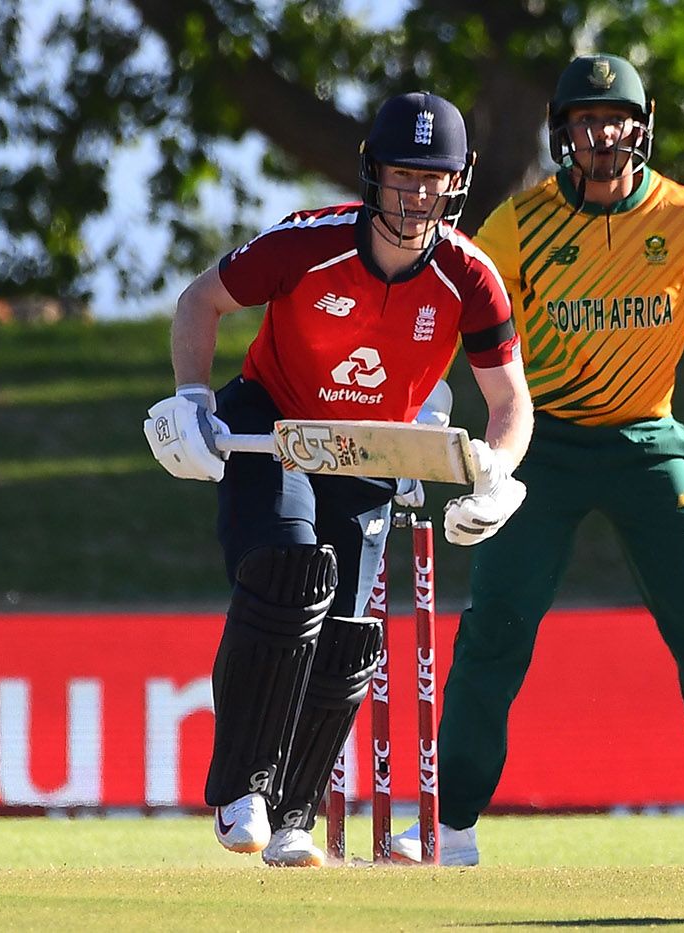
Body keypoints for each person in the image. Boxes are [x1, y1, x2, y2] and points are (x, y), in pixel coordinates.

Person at [391, 53, 684, 867]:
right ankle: (450, 825)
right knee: (497, 628)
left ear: (641, 129)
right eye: (585, 122)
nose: (602, 136)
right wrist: (426, 404)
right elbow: (450, 307)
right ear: (562, 133)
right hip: (540, 446)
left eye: (615, 120)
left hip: (650, 444)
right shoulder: (519, 223)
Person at [144, 91, 534, 867]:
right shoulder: (307, 242)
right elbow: (200, 300)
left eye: (433, 178)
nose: (416, 194)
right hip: (275, 428)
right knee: (293, 572)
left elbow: (509, 400)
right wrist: (193, 398)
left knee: (351, 636)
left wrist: (498, 473)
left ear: (457, 182)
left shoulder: (471, 278)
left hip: (370, 451)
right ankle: (242, 789)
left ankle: (293, 816)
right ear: (372, 173)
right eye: (401, 175)